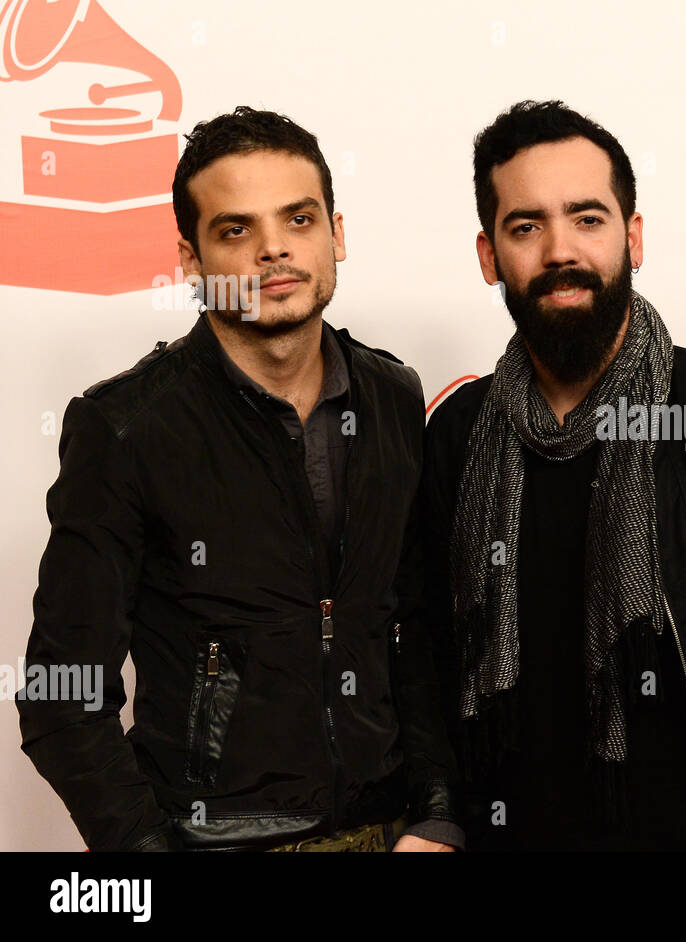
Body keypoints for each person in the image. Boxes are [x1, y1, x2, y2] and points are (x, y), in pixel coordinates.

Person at [404, 100, 686, 850]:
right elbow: (421, 646)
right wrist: (438, 811)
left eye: (587, 219)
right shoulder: (459, 433)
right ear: (488, 256)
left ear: (632, 237)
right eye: (526, 226)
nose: (559, 250)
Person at [19, 107, 458, 852]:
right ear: (190, 259)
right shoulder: (125, 427)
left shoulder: (393, 396)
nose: (275, 250)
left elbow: (418, 632)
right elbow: (62, 696)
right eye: (236, 230)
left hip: (391, 832)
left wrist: (442, 813)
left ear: (337, 234)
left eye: (299, 219)